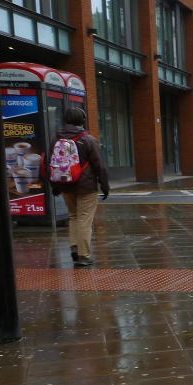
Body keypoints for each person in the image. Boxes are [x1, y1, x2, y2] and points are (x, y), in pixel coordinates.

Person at [49, 107, 110, 267]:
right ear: (82, 120)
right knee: (84, 218)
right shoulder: (88, 140)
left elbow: (50, 163)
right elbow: (99, 165)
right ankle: (84, 255)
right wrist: (104, 185)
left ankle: (75, 248)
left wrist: (55, 185)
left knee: (74, 216)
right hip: (86, 186)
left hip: (65, 185)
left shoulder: (55, 139)